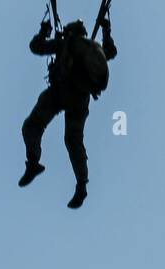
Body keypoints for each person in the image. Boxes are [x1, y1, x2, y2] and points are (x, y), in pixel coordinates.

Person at [19, 14, 117, 209]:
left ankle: (33, 162)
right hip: (79, 100)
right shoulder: (93, 48)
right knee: (73, 141)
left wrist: (43, 31)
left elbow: (36, 47)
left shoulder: (65, 44)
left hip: (58, 93)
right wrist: (106, 30)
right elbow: (111, 52)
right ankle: (82, 185)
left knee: (32, 126)